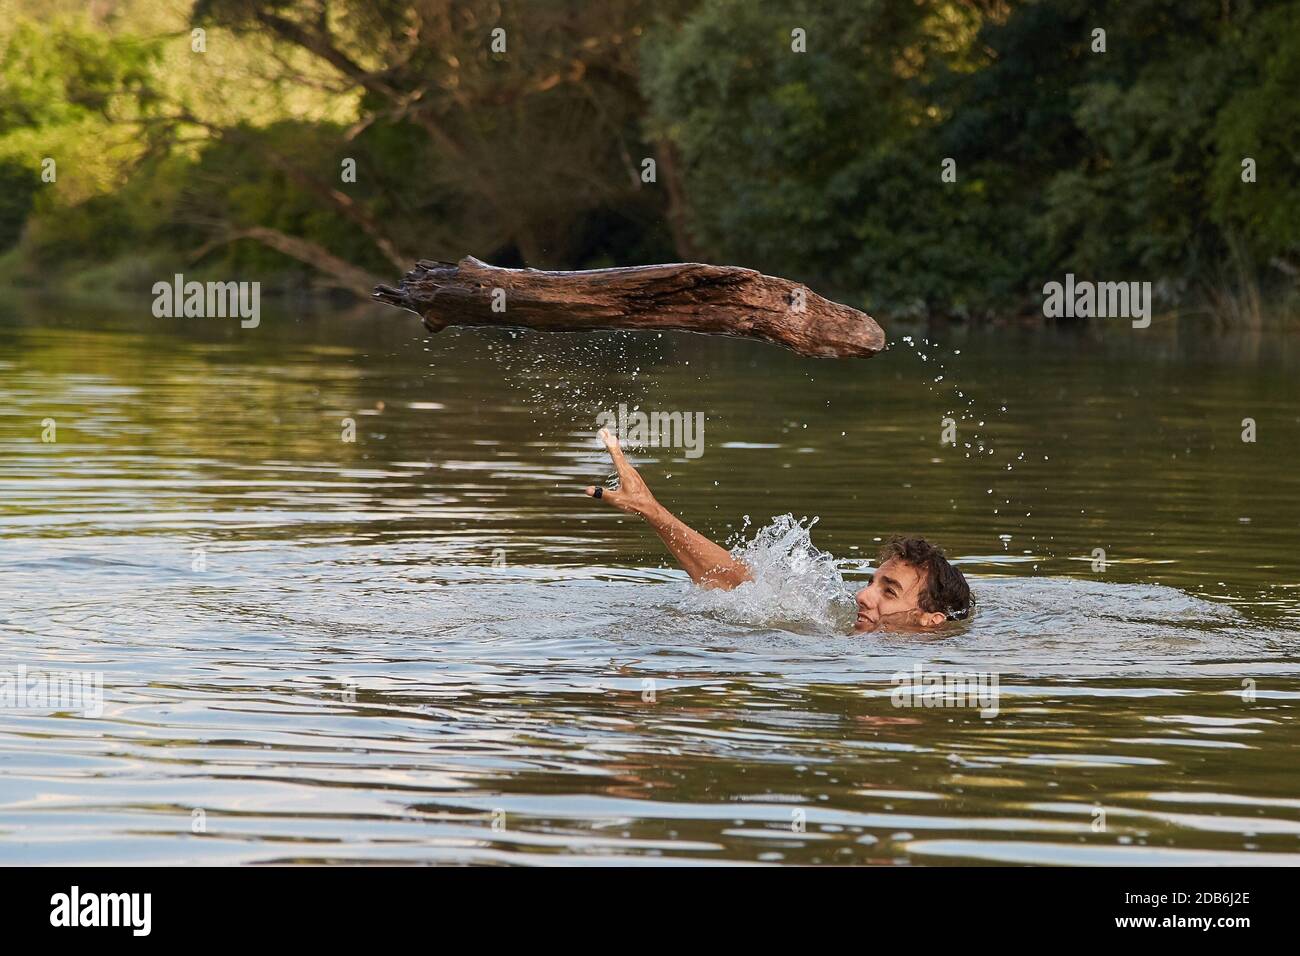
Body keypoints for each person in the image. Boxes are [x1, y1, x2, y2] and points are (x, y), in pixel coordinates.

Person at [584, 428, 973, 633]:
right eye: (872, 582)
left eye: (888, 591)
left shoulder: (916, 671)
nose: (861, 595)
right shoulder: (835, 629)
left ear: (929, 620)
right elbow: (738, 583)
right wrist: (651, 510)